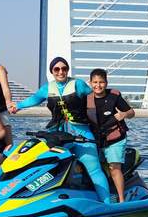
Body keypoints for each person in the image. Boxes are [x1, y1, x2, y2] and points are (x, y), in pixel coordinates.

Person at [8, 56, 112, 202]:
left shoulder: (78, 84)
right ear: (52, 71)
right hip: (56, 134)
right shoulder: (47, 88)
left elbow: (97, 96)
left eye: (64, 68)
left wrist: (113, 104)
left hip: (81, 132)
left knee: (93, 168)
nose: (61, 72)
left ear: (67, 70)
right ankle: (38, 198)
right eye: (57, 69)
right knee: (44, 163)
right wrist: (17, 107)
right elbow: (34, 99)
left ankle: (107, 204)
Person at [86, 68, 136, 202]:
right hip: (96, 139)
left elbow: (132, 112)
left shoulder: (114, 97)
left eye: (101, 82)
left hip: (115, 138)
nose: (98, 85)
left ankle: (121, 200)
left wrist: (124, 114)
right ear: (90, 83)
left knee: (114, 167)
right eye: (95, 82)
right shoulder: (86, 99)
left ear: (106, 83)